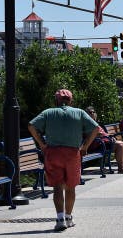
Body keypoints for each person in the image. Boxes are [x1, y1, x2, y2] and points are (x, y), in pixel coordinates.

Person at [28, 89, 100, 232]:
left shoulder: (48, 112)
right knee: (70, 186)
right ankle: (68, 217)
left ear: (57, 101)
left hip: (53, 153)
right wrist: (85, 146)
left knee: (57, 186)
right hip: (73, 153)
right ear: (71, 101)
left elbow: (31, 126)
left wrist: (42, 144)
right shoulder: (79, 112)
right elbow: (96, 128)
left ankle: (60, 218)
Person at [85, 106, 123, 174]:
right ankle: (120, 168)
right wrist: (98, 135)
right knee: (120, 145)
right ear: (87, 114)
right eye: (90, 112)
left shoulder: (95, 123)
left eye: (93, 112)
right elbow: (88, 135)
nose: (92, 113)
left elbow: (103, 134)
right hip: (97, 144)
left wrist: (110, 136)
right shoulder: (87, 124)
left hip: (104, 142)